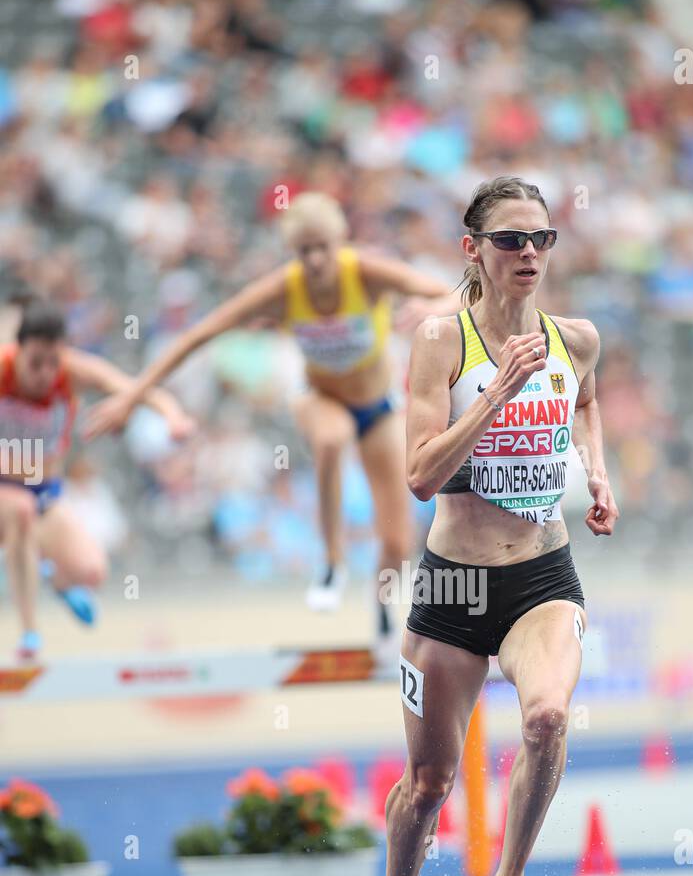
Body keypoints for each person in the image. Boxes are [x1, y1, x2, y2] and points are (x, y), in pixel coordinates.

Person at [376, 176, 618, 876]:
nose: (528, 254)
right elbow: (418, 477)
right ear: (471, 249)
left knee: (549, 718)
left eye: (541, 240)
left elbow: (585, 402)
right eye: (510, 239)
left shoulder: (576, 339)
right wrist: (496, 395)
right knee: (430, 781)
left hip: (540, 575)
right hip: (453, 582)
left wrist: (598, 470)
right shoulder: (442, 340)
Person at [84, 192, 459, 657]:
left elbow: (457, 289)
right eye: (305, 252)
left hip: (377, 406)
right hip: (319, 398)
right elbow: (201, 333)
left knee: (397, 539)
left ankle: (381, 610)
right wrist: (134, 395)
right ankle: (331, 561)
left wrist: (435, 308)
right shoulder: (284, 289)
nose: (316, 260)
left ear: (340, 242)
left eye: (324, 247)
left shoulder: (364, 272)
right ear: (293, 252)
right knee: (331, 438)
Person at [0, 297, 191, 659]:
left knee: (91, 571)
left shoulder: (74, 372)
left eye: (52, 364)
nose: (44, 375)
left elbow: (135, 388)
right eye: (35, 364)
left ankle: (51, 575)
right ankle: (29, 634)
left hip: (41, 493)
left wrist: (173, 416)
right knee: (19, 511)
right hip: (8, 493)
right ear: (17, 352)